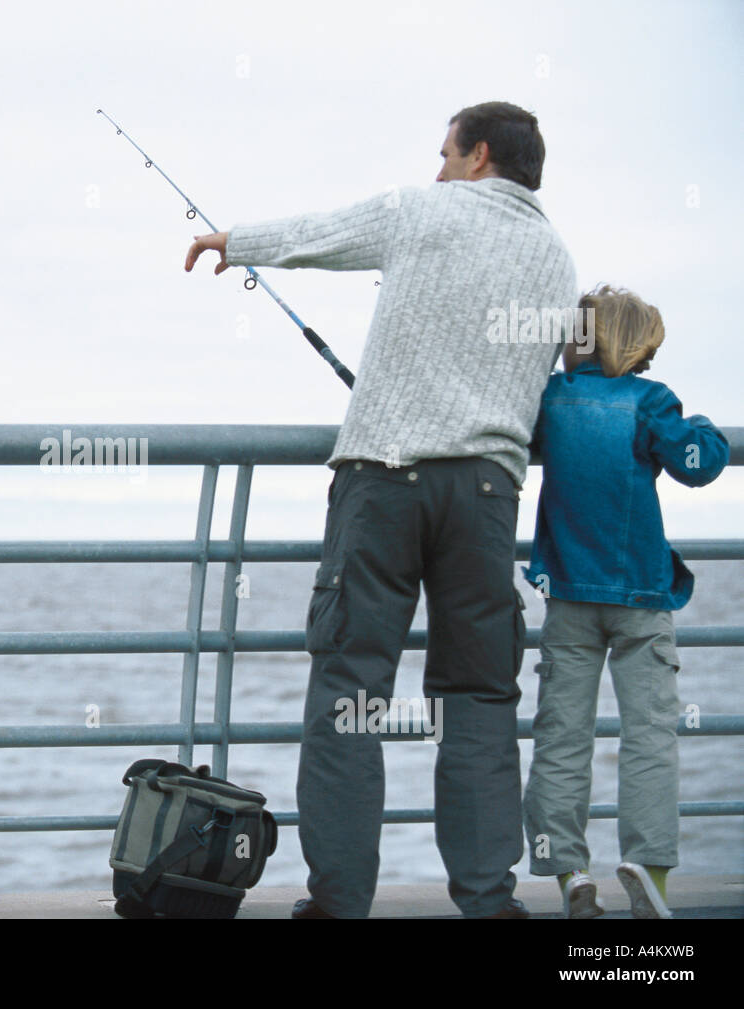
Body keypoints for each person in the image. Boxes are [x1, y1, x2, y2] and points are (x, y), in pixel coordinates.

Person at [185, 101, 578, 918]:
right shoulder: (556, 258)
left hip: (383, 482)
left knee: (351, 692)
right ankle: (486, 897)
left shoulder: (422, 208)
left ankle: (339, 902)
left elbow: (327, 233)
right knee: (478, 696)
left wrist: (236, 242)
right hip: (486, 495)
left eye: (444, 152)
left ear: (476, 157)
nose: (435, 167)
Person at [521, 285, 728, 919]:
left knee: (560, 737)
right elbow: (698, 464)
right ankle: (649, 873)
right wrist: (704, 431)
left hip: (568, 599)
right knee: (650, 738)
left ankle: (570, 874)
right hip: (640, 595)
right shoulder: (648, 401)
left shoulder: (551, 402)